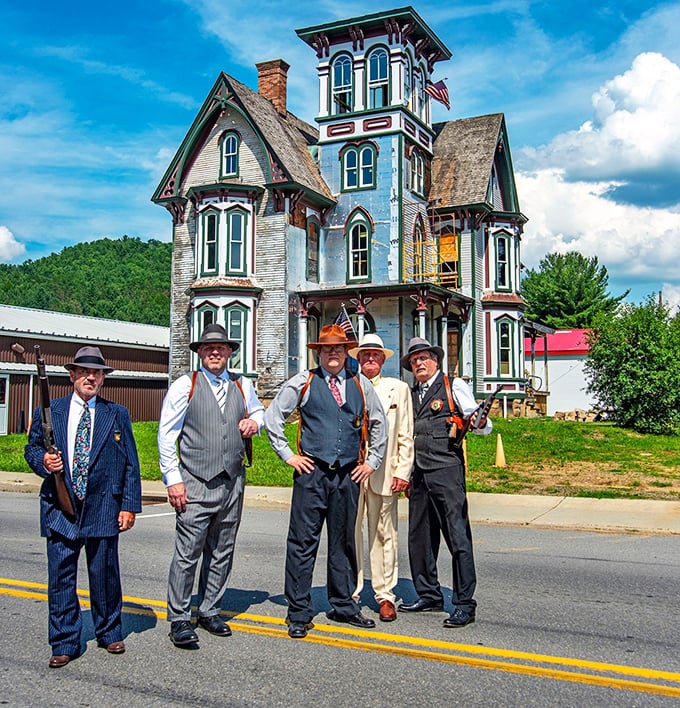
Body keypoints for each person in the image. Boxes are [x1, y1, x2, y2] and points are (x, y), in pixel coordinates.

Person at [264, 324, 388, 639]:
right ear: (318, 352)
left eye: (339, 348)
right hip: (312, 473)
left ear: (346, 352)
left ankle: (343, 606)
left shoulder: (360, 383)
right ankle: (299, 612)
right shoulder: (304, 381)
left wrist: (372, 462)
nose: (333, 353)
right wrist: (288, 455)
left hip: (348, 473)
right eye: (327, 349)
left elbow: (378, 423)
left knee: (344, 541)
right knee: (303, 542)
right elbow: (272, 417)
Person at [24, 346, 142, 668]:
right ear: (72, 375)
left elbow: (131, 464)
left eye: (98, 372)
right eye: (85, 371)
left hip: (104, 507)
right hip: (61, 510)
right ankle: (64, 641)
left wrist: (129, 505)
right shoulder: (51, 412)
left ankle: (109, 631)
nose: (91, 377)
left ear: (103, 378)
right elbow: (32, 450)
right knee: (61, 579)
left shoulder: (116, 413)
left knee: (104, 575)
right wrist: (44, 462)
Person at [158, 323, 264, 647]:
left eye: (220, 348)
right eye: (208, 348)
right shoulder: (184, 386)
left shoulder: (242, 384)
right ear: (200, 353)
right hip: (195, 481)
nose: (215, 353)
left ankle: (209, 610)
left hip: (232, 481)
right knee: (188, 553)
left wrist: (253, 423)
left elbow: (260, 413)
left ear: (230, 352)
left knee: (222, 550)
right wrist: (174, 481)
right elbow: (166, 435)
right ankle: (178, 618)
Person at [398, 337, 492, 628]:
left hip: (447, 472)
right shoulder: (412, 393)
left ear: (435, 360)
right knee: (420, 539)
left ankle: (464, 603)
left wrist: (478, 421)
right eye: (414, 361)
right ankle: (428, 594)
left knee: (457, 537)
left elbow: (481, 425)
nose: (419, 363)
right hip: (419, 474)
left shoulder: (454, 386)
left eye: (424, 358)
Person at [348, 334, 413, 622]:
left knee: (384, 534)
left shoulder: (397, 389)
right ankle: (350, 590)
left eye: (375, 355)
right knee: (349, 532)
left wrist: (403, 471)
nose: (370, 359)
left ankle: (385, 594)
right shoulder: (347, 385)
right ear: (357, 358)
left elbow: (406, 433)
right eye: (364, 355)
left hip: (385, 471)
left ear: (383, 359)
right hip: (351, 471)